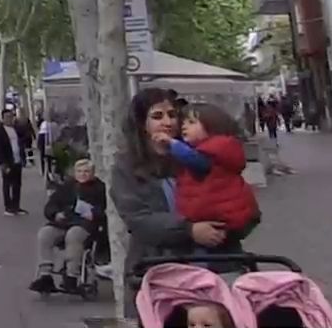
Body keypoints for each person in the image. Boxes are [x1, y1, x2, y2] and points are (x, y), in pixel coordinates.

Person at [111, 87, 227, 295]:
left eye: (172, 115)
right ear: (141, 124)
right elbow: (138, 219)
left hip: (213, 262)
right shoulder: (126, 166)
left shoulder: (196, 156)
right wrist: (189, 230)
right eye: (157, 116)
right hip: (156, 266)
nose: (168, 122)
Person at [170, 103, 261, 249]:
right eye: (184, 122)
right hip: (222, 217)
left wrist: (171, 144)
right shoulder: (216, 147)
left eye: (192, 122)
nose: (184, 127)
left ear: (211, 126)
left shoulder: (214, 148)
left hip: (218, 217)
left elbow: (192, 159)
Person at [29, 157, 107, 295]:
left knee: (74, 235)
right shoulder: (67, 187)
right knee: (45, 234)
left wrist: (93, 213)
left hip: (85, 224)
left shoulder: (100, 189)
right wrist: (55, 214)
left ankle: (71, 276)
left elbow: (104, 211)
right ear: (75, 173)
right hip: (64, 222)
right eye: (79, 171)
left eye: (86, 171)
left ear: (93, 173)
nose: (83, 174)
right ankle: (45, 275)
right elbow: (51, 205)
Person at [0, 109, 26, 215]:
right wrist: (2, 163)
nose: (9, 119)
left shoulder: (16, 129)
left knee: (17, 185)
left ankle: (16, 206)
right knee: (7, 184)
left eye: (11, 116)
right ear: (3, 118)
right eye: (7, 117)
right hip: (7, 162)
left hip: (17, 160)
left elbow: (22, 140)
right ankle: (8, 207)